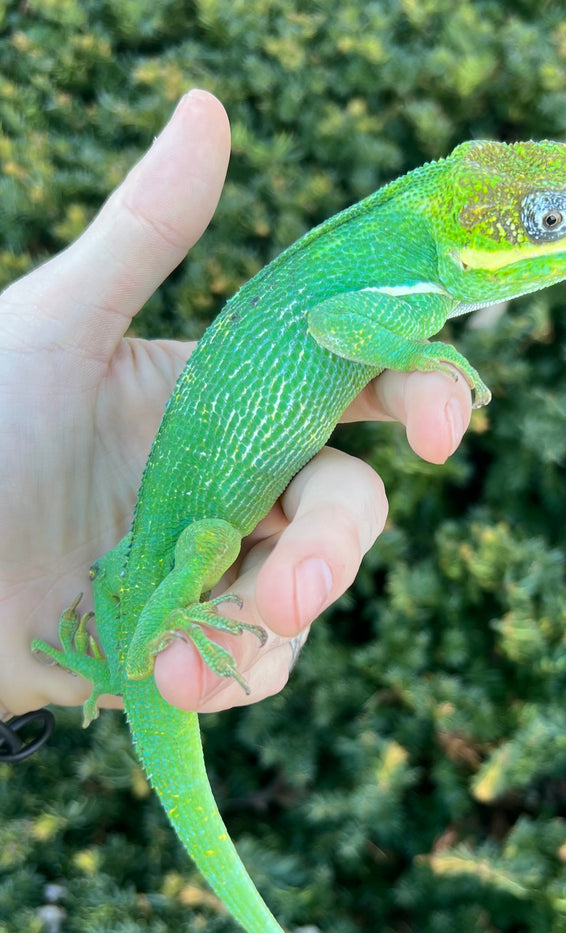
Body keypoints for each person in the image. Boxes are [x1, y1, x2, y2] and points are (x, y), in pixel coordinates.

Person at [0, 89, 472, 725]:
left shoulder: (408, 297)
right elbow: (337, 323)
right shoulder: (410, 302)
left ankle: (121, 656)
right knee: (213, 543)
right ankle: (136, 651)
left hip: (131, 559)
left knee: (211, 551)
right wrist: (417, 359)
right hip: (160, 560)